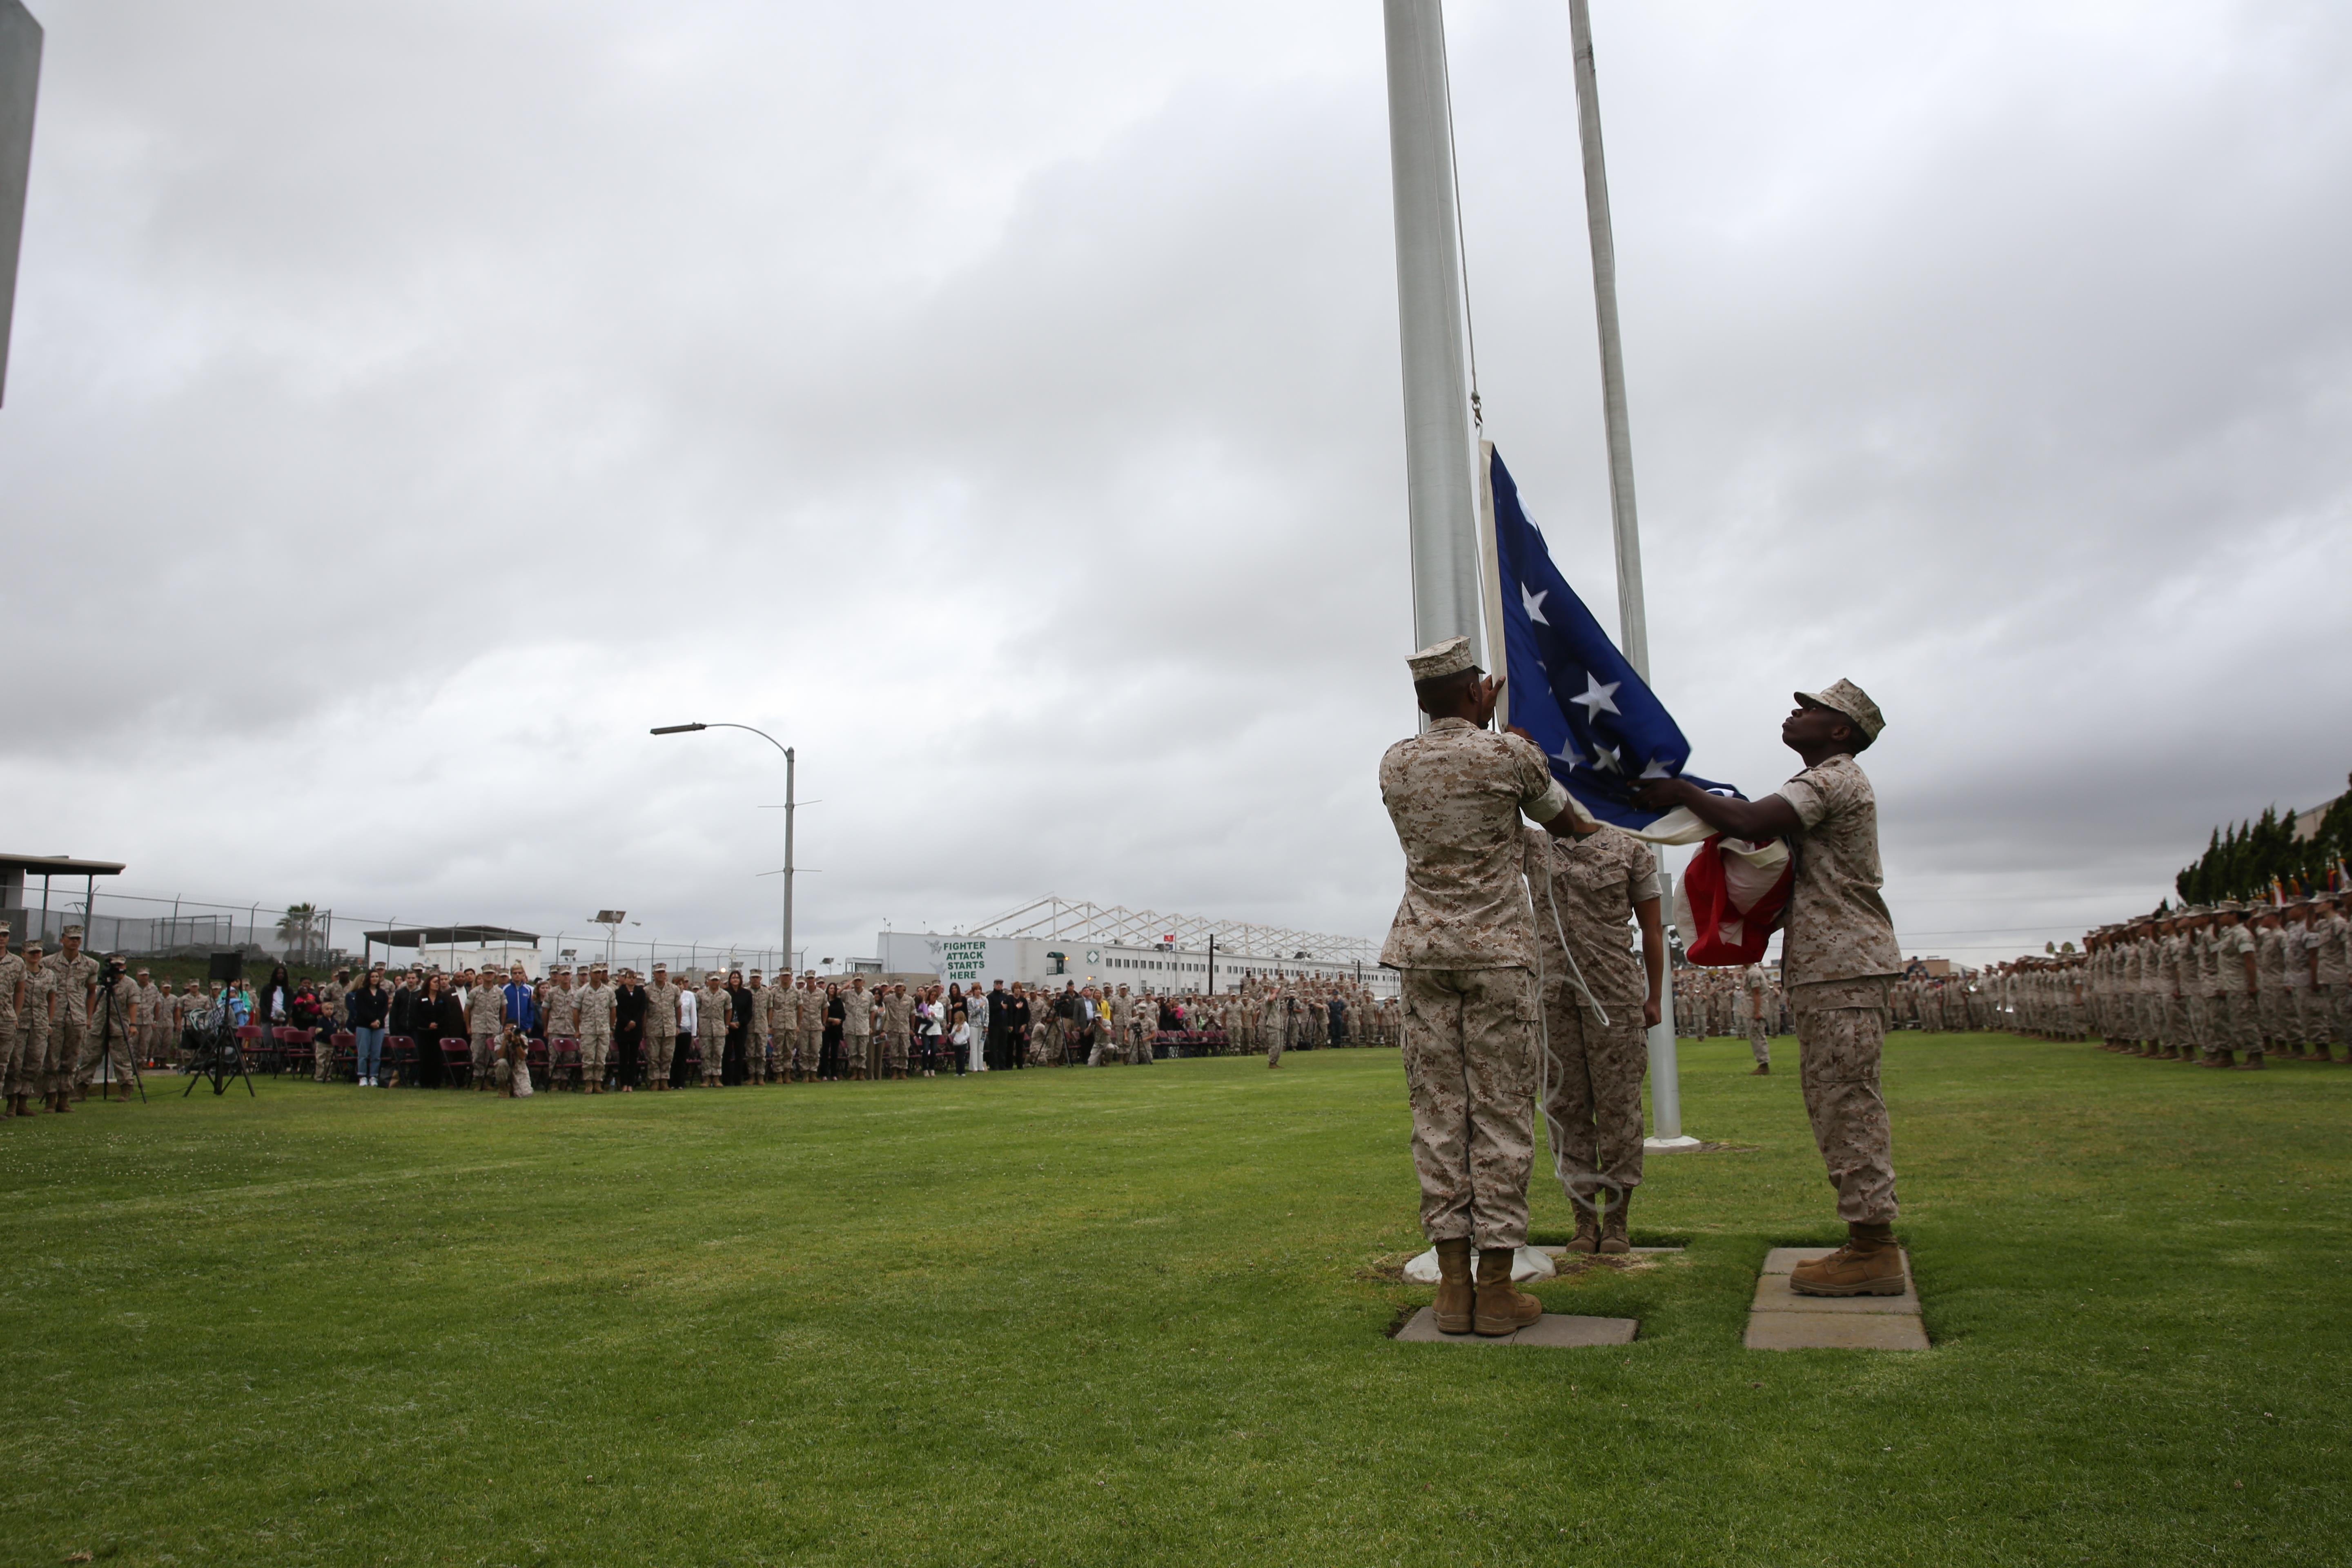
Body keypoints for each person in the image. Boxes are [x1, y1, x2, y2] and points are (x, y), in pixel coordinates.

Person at [1636, 679, 1906, 1297]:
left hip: (1844, 964)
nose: (1796, 713)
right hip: (1833, 963)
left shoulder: (1834, 778)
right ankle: (1867, 1240)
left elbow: (1753, 818)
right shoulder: (1829, 778)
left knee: (1848, 1101)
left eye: (1811, 709)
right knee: (1834, 1098)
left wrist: (1680, 791)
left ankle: (1874, 1248)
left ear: (1841, 730)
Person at [1378, 635, 1567, 1337]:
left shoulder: (1396, 761)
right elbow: (1566, 820)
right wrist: (1499, 736)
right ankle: (1496, 1289)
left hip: (1426, 956)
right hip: (1496, 956)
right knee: (1501, 1115)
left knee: (1438, 1116)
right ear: (1471, 693)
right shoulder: (1507, 755)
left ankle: (1452, 1289)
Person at [1523, 807, 1664, 1256]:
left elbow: (1652, 930)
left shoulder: (1630, 849)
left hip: (1614, 993)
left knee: (1620, 1107)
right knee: (1565, 1107)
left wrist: (1655, 996)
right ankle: (1584, 1219)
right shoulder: (1535, 845)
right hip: (1554, 997)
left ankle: (1618, 1220)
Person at [348, 965, 390, 1086]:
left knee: (376, 1053)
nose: (375, 979)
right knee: (363, 1053)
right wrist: (372, 1020)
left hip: (379, 1026)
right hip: (364, 1025)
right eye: (373, 977)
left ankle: (373, 1076)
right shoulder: (361, 993)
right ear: (369, 978)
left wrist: (378, 1020)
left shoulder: (382, 993)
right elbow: (361, 1008)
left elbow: (384, 1009)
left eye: (377, 977)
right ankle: (362, 1076)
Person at [612, 968, 645, 1090]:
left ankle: (631, 1084)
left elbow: (642, 1009)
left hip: (636, 1029)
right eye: (629, 978)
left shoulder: (641, 992)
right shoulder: (619, 992)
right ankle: (624, 1084)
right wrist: (627, 1022)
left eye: (634, 978)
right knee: (623, 1058)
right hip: (623, 1028)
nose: (632, 980)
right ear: (625, 980)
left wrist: (634, 1022)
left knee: (633, 1058)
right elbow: (617, 1010)